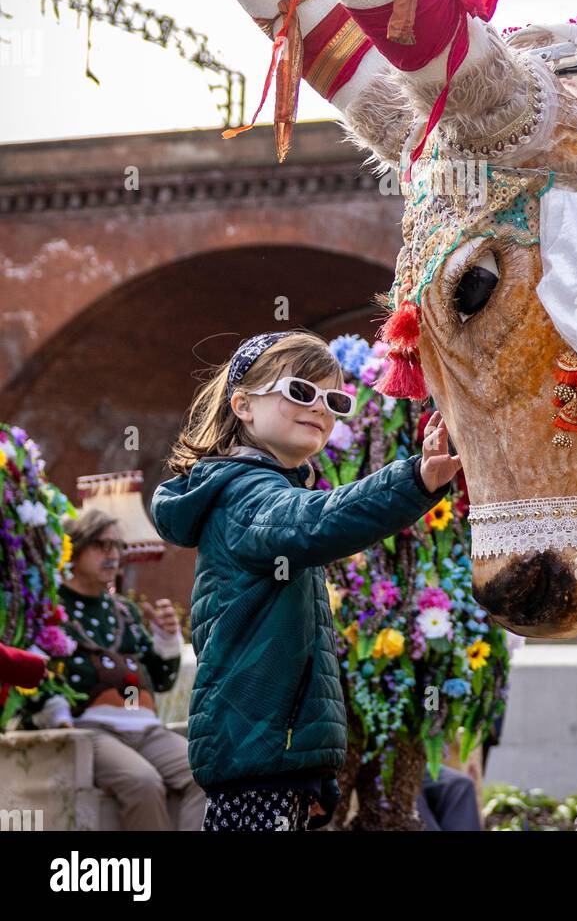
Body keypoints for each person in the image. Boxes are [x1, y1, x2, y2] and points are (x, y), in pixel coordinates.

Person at [152, 327, 460, 832]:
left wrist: (312, 768)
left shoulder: (257, 487)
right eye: (300, 391)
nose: (320, 407)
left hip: (273, 759)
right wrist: (416, 479)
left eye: (334, 399)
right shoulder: (243, 492)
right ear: (243, 405)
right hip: (255, 760)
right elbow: (313, 522)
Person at [28, 507, 205, 830]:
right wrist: (56, 715)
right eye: (101, 545)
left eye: (117, 546)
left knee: (205, 775)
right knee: (143, 782)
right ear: (74, 549)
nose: (112, 555)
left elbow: (162, 680)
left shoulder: (126, 611)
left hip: (147, 727)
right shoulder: (51, 608)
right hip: (93, 729)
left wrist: (167, 638)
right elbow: (37, 676)